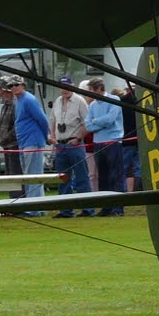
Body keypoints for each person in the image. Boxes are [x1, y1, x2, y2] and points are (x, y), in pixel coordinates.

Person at [50, 75, 91, 217]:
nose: (64, 89)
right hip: (60, 145)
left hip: (75, 144)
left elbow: (88, 122)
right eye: (62, 86)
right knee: (63, 178)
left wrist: (78, 138)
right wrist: (52, 137)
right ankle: (66, 210)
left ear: (72, 86)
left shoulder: (79, 101)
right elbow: (53, 120)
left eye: (67, 86)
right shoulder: (57, 101)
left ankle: (87, 208)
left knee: (81, 177)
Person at [86, 79, 126, 215]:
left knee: (116, 175)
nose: (89, 94)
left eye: (91, 90)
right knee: (102, 176)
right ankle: (106, 207)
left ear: (98, 89)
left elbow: (110, 120)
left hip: (113, 141)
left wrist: (95, 121)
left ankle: (118, 207)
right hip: (98, 143)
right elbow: (88, 125)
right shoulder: (92, 106)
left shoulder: (114, 99)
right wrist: (96, 123)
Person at [11, 78, 50, 199]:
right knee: (28, 176)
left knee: (33, 176)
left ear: (23, 85)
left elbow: (42, 119)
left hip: (33, 141)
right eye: (11, 85)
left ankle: (35, 208)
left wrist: (45, 136)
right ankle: (37, 206)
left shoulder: (29, 99)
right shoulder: (17, 100)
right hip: (24, 142)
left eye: (16, 84)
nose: (14, 87)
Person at [0, 77, 21, 183]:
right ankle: (13, 196)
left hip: (14, 146)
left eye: (1, 91)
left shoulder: (16, 105)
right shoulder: (5, 106)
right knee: (9, 175)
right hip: (6, 146)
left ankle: (19, 197)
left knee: (16, 175)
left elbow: (17, 127)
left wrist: (5, 138)